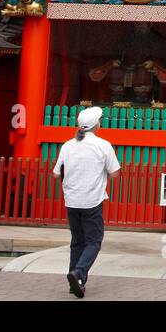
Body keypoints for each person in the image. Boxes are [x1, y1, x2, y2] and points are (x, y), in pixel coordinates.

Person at [52, 105, 121, 298]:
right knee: (94, 241)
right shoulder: (103, 145)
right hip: (92, 200)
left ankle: (77, 283)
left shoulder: (67, 145)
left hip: (72, 200)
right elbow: (115, 173)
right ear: (96, 125)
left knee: (77, 242)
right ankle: (79, 272)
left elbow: (55, 174)